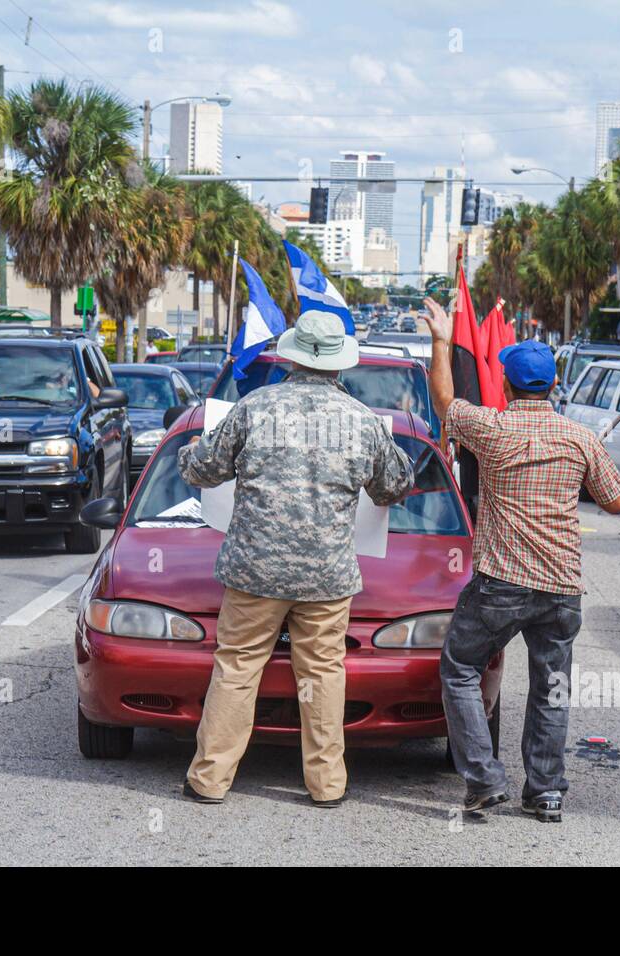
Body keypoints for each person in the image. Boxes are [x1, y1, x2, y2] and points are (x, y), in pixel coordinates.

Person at [177, 310, 414, 807]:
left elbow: (203, 471)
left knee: (238, 668)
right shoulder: (362, 421)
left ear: (292, 356)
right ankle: (326, 785)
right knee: (324, 673)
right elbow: (395, 485)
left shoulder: (255, 407)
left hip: (253, 571)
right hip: (326, 575)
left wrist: (191, 450)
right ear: (338, 366)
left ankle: (210, 779)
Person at [422, 298, 620, 823]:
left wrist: (442, 342)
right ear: (553, 387)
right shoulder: (579, 437)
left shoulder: (491, 429)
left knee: (461, 668)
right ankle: (545, 791)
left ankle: (484, 778)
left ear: (507, 386)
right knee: (551, 688)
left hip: (501, 584)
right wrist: (588, 456)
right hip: (561, 589)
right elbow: (617, 501)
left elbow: (444, 401)